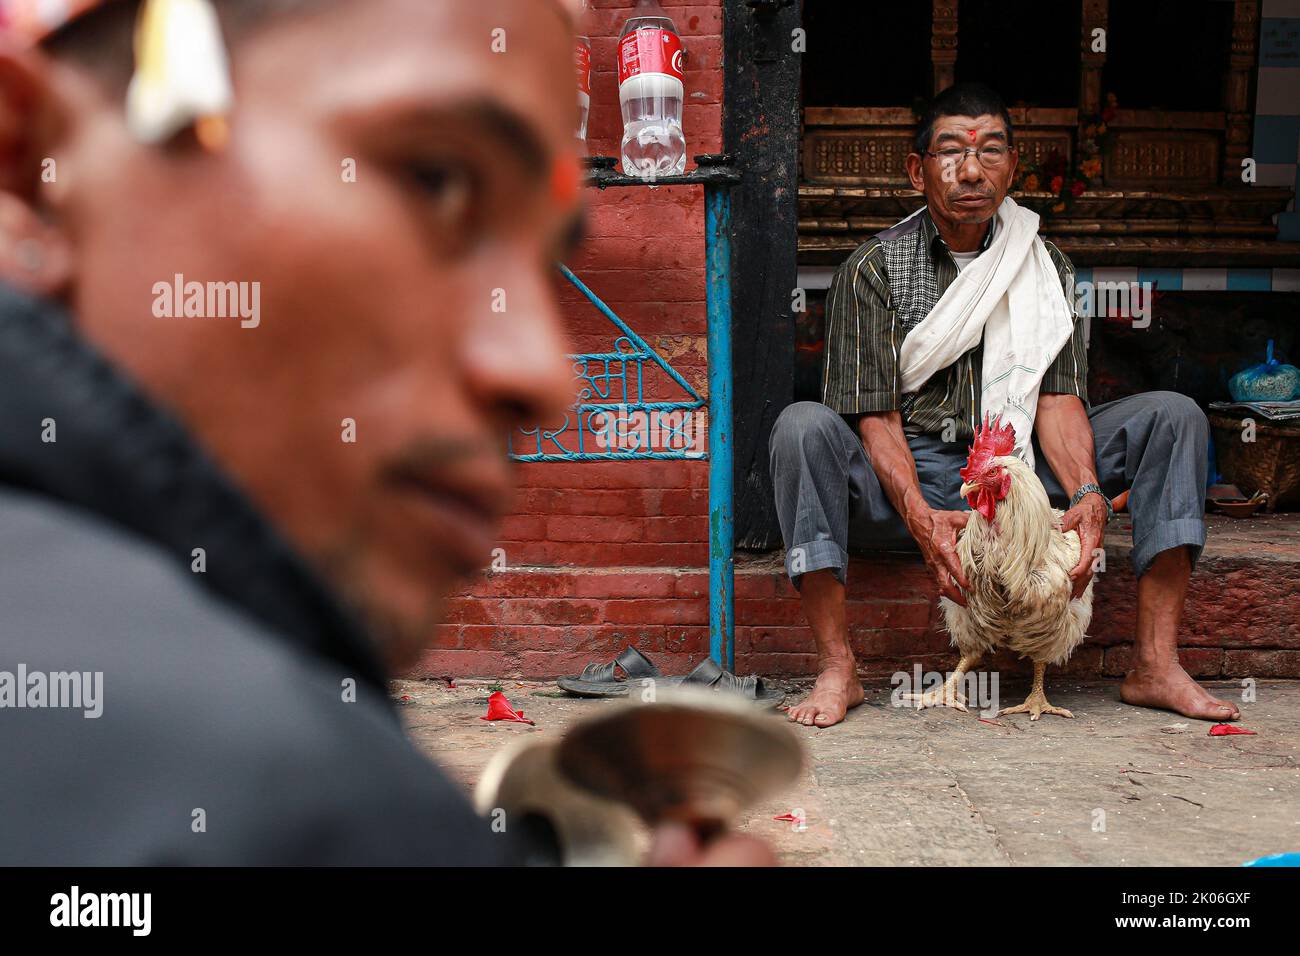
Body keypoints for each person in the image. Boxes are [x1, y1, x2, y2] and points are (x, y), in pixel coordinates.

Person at [0, 0, 770, 865]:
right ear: (30, 165)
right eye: (436, 179)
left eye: (542, 257)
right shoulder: (303, 807)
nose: (542, 375)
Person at [769, 83, 1239, 729]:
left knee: (1176, 417)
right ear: (917, 169)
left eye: (991, 151)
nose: (971, 170)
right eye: (951, 152)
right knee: (801, 427)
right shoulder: (872, 269)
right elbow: (873, 419)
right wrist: (918, 513)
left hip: (1019, 478)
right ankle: (837, 667)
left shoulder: (1046, 265)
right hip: (916, 477)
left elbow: (1056, 400)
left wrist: (1087, 492)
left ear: (1013, 166)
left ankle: (1154, 663)